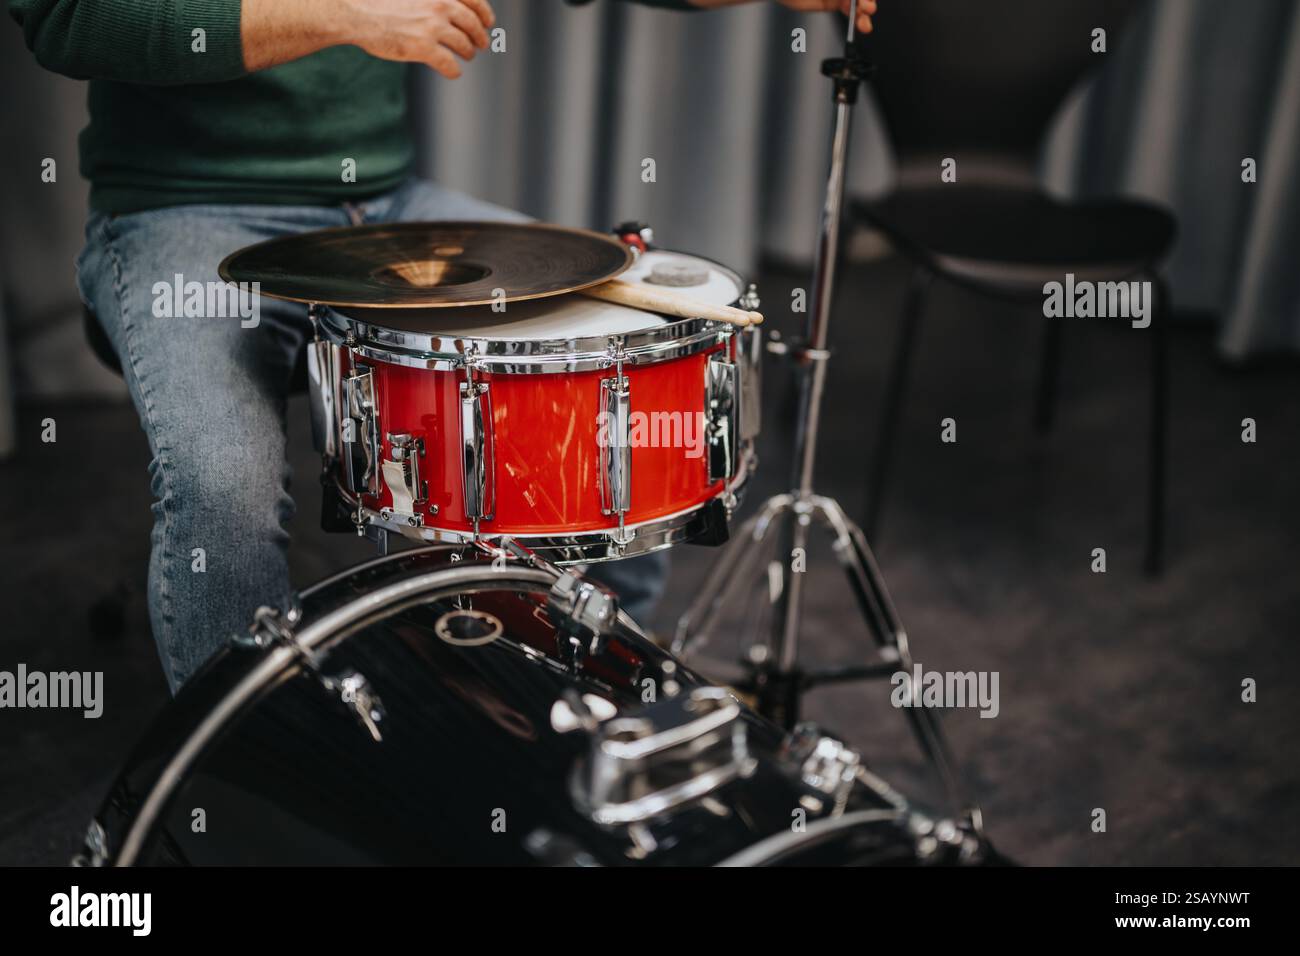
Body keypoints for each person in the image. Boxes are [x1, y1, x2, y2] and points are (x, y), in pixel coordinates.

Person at [8, 0, 877, 693]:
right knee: (220, 481)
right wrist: (345, 13)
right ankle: (250, 793)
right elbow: (72, 16)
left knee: (631, 361)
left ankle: (560, 697)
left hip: (384, 206)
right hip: (177, 212)